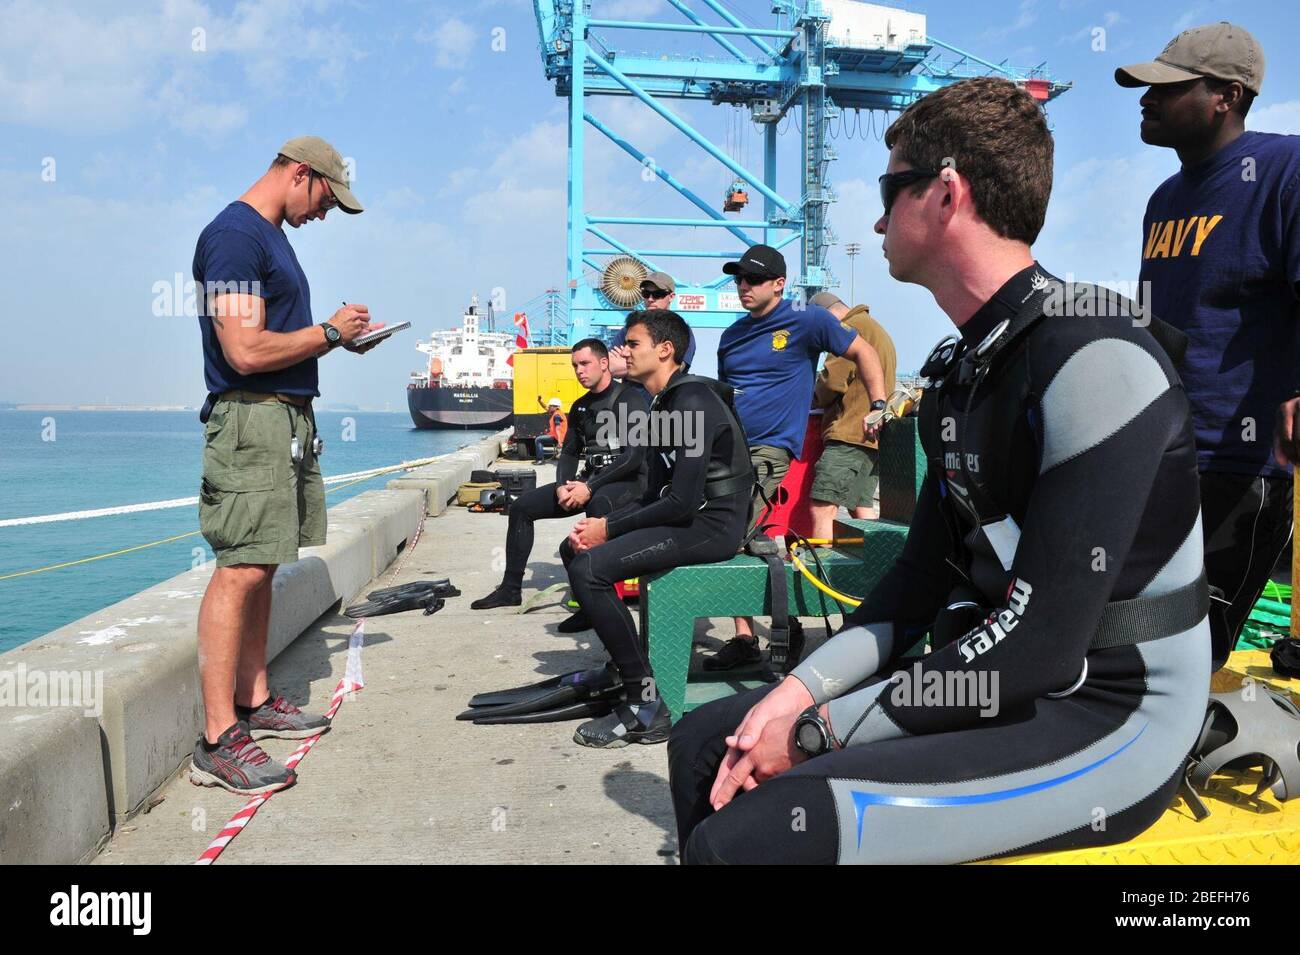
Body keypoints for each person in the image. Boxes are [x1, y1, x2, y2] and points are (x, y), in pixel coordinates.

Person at [668, 77, 1210, 864]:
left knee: (758, 831)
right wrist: (794, 694)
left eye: (891, 190)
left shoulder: (1095, 354)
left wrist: (817, 731)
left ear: (947, 193)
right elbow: (911, 589)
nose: (879, 219)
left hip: (1113, 712)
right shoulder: (963, 374)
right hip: (1006, 679)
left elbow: (1041, 648)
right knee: (704, 740)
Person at [190, 136, 380, 794]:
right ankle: (217, 738)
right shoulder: (236, 237)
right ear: (301, 174)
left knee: (264, 560)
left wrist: (334, 341)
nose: (325, 214)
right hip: (253, 418)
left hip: (285, 416)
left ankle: (256, 697)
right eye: (327, 199)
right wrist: (328, 332)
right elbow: (242, 349)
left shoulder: (268, 237)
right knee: (239, 566)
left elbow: (276, 342)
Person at [1116, 21, 1300, 670]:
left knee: (1183, 658)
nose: (1147, 98)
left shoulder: (1285, 169)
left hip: (1241, 466)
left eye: (1167, 88)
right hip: (1161, 457)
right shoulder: (1163, 200)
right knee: (1121, 647)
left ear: (1226, 95)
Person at [561, 309, 754, 747]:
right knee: (575, 551)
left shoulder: (691, 401)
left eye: (632, 344)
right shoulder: (661, 402)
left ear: (665, 350)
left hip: (713, 525)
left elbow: (682, 501)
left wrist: (610, 529)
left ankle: (646, 705)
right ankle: (624, 669)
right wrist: (598, 523)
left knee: (590, 571)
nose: (622, 351)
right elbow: (651, 491)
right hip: (689, 517)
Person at [705, 244, 887, 671]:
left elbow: (864, 353)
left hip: (770, 448)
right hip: (729, 448)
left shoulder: (808, 322)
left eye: (753, 279)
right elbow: (724, 396)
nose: (743, 286)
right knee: (739, 538)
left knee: (729, 533)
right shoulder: (731, 336)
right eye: (739, 279)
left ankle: (788, 626)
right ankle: (748, 638)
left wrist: (879, 403)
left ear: (779, 284)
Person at [472, 339, 647, 615]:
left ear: (604, 364)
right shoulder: (579, 407)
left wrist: (589, 487)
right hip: (588, 481)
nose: (579, 370)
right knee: (521, 508)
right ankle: (510, 589)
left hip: (626, 483)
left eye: (585, 363)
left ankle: (600, 601)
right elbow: (569, 454)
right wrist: (563, 487)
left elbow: (634, 456)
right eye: (575, 365)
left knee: (596, 507)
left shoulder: (629, 399)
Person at [808, 291, 898, 532]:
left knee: (822, 506)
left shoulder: (848, 329)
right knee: (860, 508)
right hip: (870, 436)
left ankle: (819, 568)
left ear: (822, 316)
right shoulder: (875, 328)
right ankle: (877, 564)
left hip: (848, 433)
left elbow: (831, 383)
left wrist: (812, 397)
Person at [607, 271, 696, 384]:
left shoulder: (682, 330)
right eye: (646, 293)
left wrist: (627, 366)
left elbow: (675, 371)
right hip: (628, 400)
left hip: (664, 400)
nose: (650, 299)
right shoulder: (630, 328)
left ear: (671, 296)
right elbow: (609, 366)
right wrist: (653, 365)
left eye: (658, 294)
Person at [533, 397, 567, 464]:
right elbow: (545, 407)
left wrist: (560, 442)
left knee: (538, 440)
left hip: (557, 437)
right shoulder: (556, 412)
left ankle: (540, 460)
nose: (548, 407)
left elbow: (558, 429)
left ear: (555, 407)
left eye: (550, 406)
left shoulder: (557, 415)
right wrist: (540, 401)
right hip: (556, 436)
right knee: (540, 438)